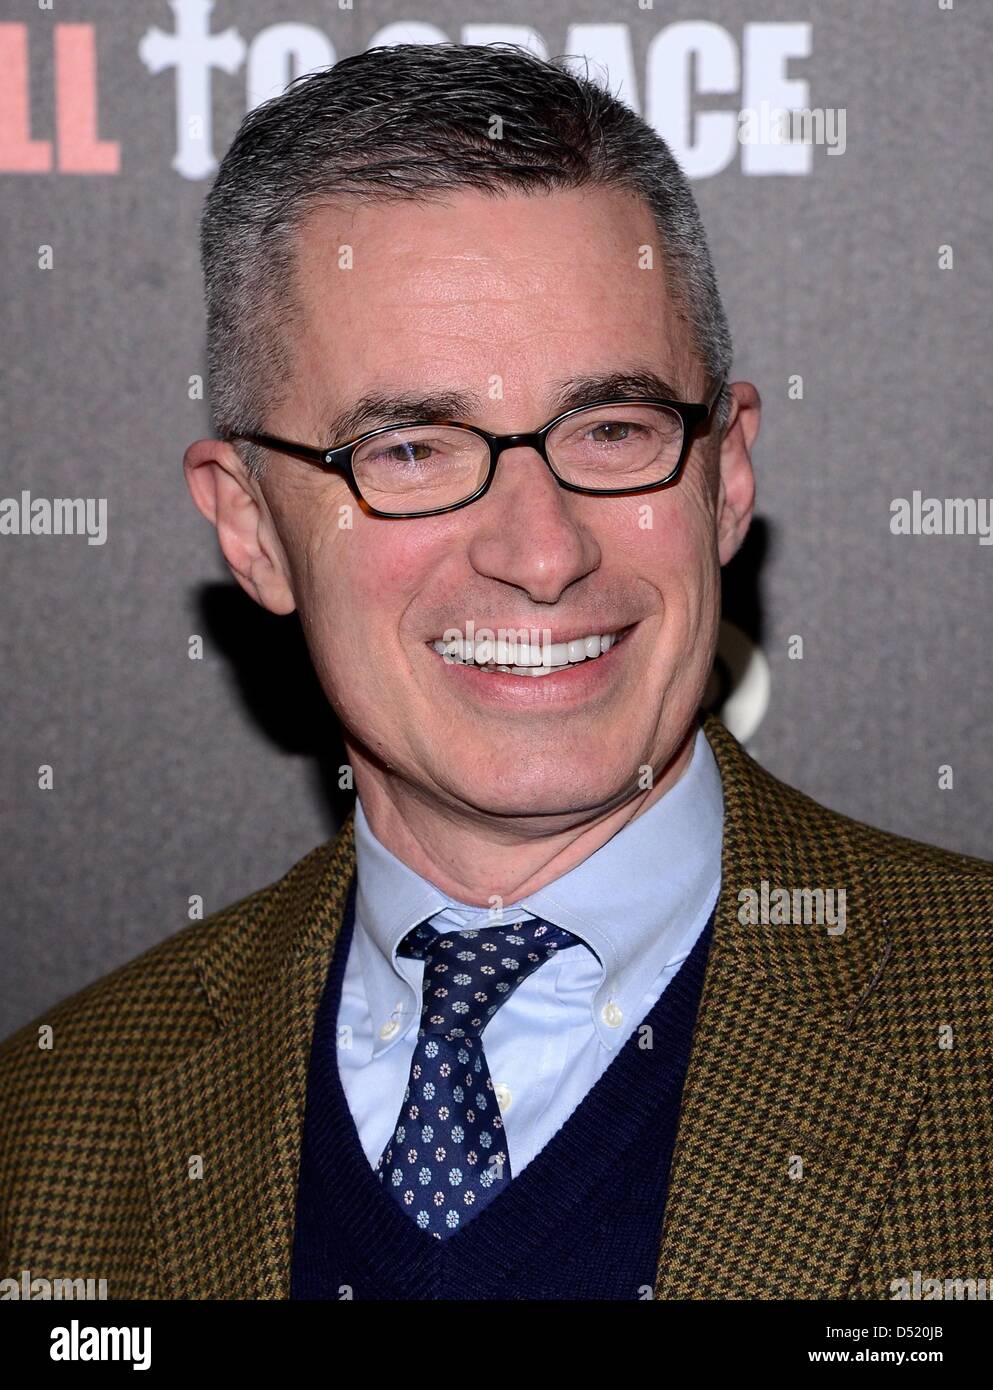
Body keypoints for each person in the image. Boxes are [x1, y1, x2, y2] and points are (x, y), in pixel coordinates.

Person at [1, 42, 990, 1303]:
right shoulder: (44, 1130)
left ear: (726, 473)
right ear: (251, 527)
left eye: (613, 430)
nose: (541, 552)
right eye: (410, 449)